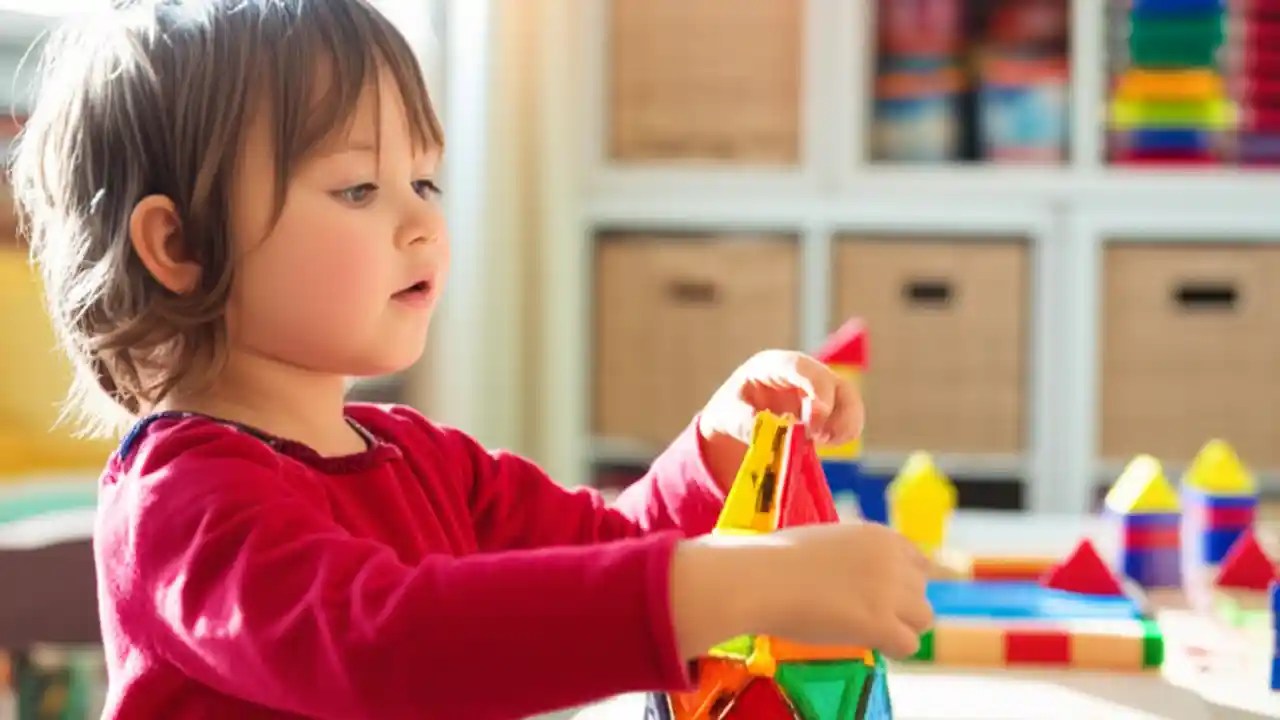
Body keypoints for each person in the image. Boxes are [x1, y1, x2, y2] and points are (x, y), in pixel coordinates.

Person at [8, 1, 932, 718]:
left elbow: (614, 555)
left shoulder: (420, 460)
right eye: (359, 186)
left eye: (424, 181)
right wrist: (740, 582)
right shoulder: (181, 505)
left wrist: (721, 454)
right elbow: (394, 647)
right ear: (183, 247)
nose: (420, 222)